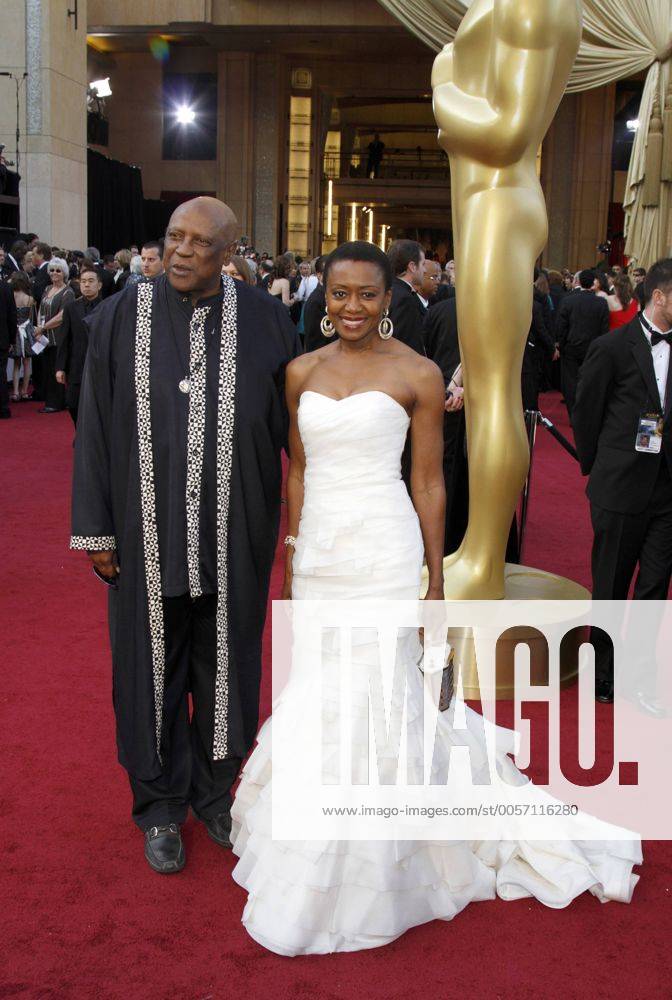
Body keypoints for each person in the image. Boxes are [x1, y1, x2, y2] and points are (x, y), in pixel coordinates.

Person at [230, 241, 641, 957]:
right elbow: (297, 477)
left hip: (386, 552)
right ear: (321, 297)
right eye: (339, 294)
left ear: (389, 298)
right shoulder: (298, 373)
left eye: (365, 294)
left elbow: (427, 482)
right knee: (322, 689)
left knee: (379, 692)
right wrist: (291, 560)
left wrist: (436, 579)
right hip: (323, 551)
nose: (351, 307)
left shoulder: (417, 374)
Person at [70, 196, 300, 874]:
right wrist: (95, 532)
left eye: (200, 242)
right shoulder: (118, 316)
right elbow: (93, 428)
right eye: (174, 237)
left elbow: (301, 427)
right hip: (144, 536)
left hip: (237, 534)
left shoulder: (266, 322)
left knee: (226, 665)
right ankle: (159, 806)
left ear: (229, 253)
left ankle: (216, 793)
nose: (181, 251)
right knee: (148, 669)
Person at [573, 258, 672, 705]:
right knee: (611, 584)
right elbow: (586, 410)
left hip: (667, 490)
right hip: (619, 486)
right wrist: (598, 468)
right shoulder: (613, 347)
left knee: (654, 586)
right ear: (661, 296)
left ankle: (640, 673)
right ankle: (603, 669)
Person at [556, 269, 610, 417]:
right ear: (593, 283)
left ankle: (574, 414)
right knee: (588, 380)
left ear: (578, 282)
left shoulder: (568, 300)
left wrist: (561, 344)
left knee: (570, 382)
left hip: (571, 347)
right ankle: (585, 413)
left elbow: (561, 326)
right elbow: (604, 328)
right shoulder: (601, 303)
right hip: (592, 349)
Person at [55, 264, 102, 425]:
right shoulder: (71, 308)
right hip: (76, 365)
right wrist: (60, 367)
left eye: (90, 281)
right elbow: (64, 339)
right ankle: (80, 433)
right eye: (83, 281)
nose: (87, 285)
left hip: (100, 365)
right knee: (73, 403)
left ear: (99, 284)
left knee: (99, 406)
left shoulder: (108, 306)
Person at [35, 256, 74, 413]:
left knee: (56, 369)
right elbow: (40, 309)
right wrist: (38, 328)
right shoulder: (46, 289)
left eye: (58, 270)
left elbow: (63, 315)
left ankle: (56, 402)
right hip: (44, 338)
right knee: (47, 370)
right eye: (52, 270)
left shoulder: (68, 292)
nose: (54, 273)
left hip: (58, 337)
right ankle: (52, 400)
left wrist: (43, 328)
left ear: (64, 273)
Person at [387, 239, 426, 354]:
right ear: (412, 266)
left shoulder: (388, 289)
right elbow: (406, 344)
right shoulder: (404, 299)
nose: (425, 269)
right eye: (423, 264)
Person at [8, 272, 35, 401]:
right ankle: (24, 391)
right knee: (27, 362)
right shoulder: (29, 298)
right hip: (26, 332)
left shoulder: (10, 296)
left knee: (16, 364)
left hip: (14, 331)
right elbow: (30, 317)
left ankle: (15, 392)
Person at [303, 256, 329, 351]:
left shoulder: (330, 295)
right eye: (329, 272)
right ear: (319, 275)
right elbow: (313, 339)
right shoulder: (315, 301)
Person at [0, 273, 17, 418]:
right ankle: (3, 408)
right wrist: (12, 339)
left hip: (3, 339)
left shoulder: (6, 286)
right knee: (1, 374)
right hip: (2, 339)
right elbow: (12, 315)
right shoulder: (6, 287)